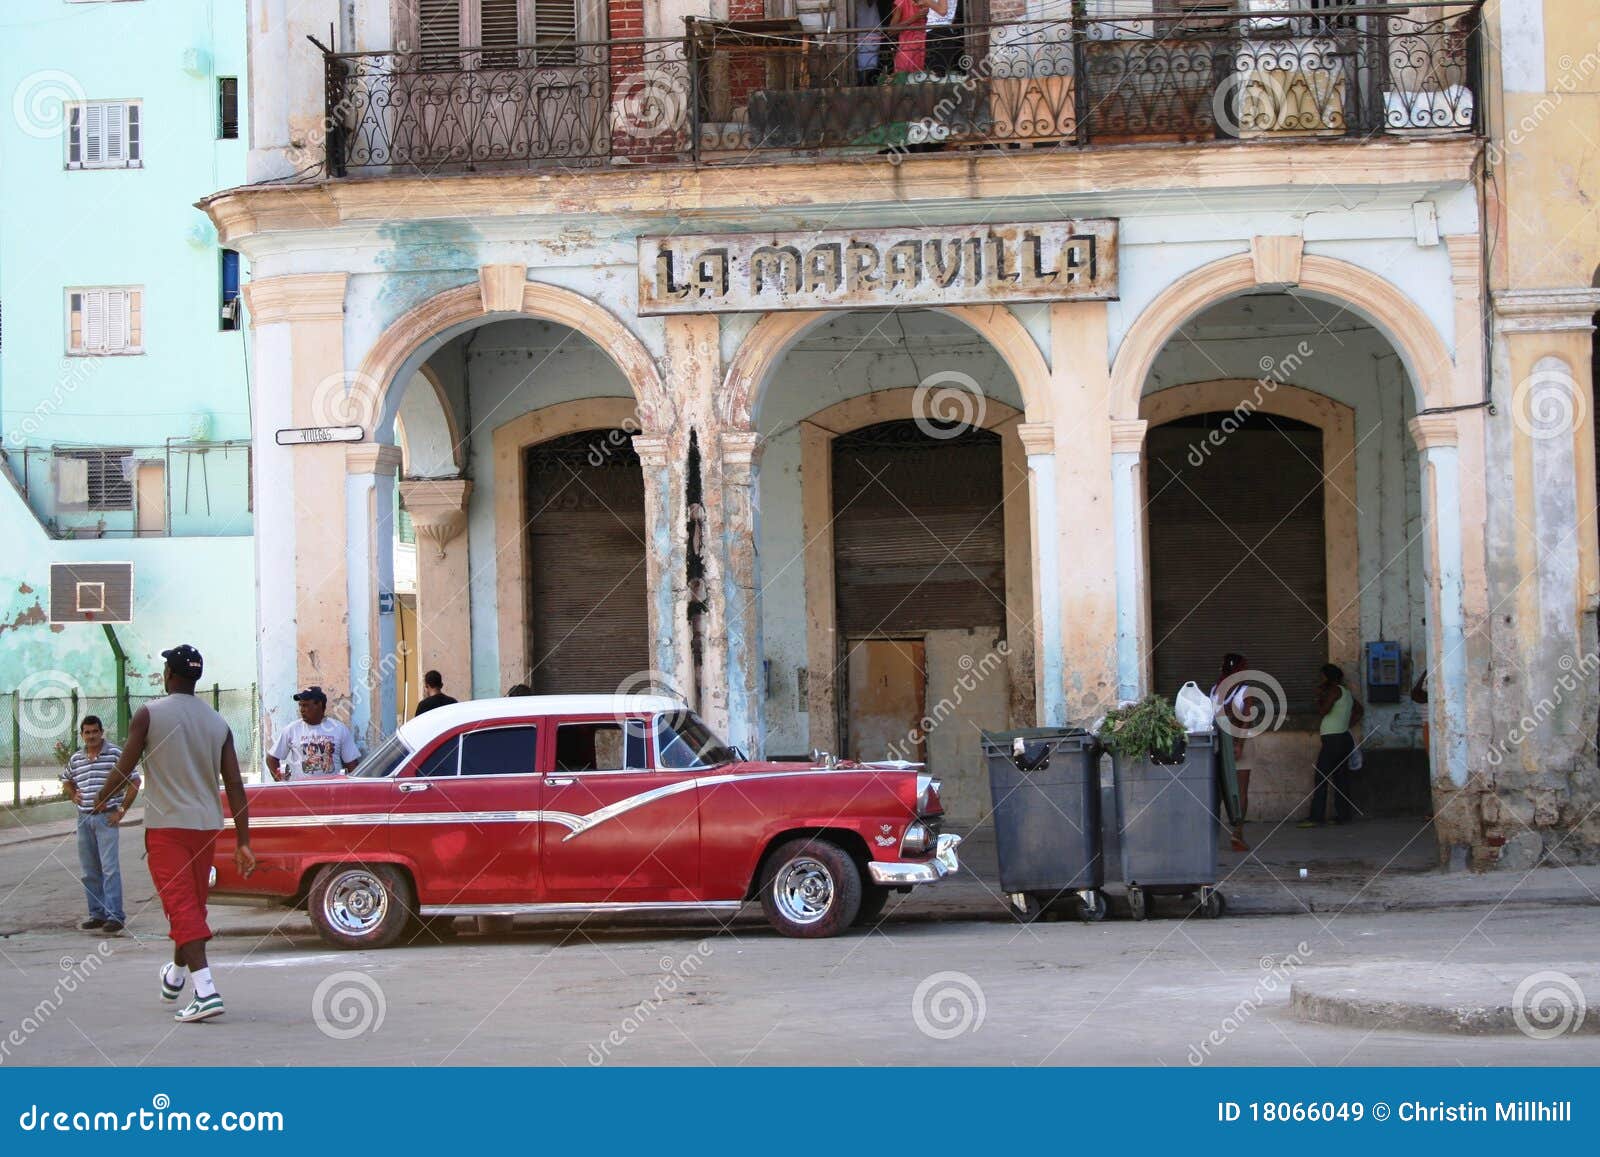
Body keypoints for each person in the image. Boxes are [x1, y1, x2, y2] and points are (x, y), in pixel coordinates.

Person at [91, 644, 254, 1024]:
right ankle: (177, 974)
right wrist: (244, 840)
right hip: (205, 827)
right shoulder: (218, 722)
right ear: (196, 677)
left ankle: (207, 991)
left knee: (181, 908)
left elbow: (125, 765)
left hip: (167, 828)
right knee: (190, 907)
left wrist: (100, 797)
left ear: (169, 674)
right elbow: (234, 783)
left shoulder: (150, 714)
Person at [61, 715, 137, 934]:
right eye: (87, 732)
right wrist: (73, 794)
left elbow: (135, 781)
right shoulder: (76, 758)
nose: (92, 736)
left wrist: (121, 811)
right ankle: (97, 913)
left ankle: (115, 915)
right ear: (82, 735)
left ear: (101, 732)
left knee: (109, 868)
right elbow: (66, 778)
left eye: (95, 731)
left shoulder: (114, 754)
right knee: (88, 870)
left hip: (106, 818)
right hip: (84, 818)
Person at [1300, 663, 1364, 828]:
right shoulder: (1346, 693)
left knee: (1321, 778)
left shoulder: (1334, 691)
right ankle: (1343, 815)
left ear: (1328, 678)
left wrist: (1319, 695)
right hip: (1342, 738)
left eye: (1322, 676)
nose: (1320, 679)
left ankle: (1316, 817)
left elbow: (1323, 711)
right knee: (1340, 778)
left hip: (1333, 740)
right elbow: (1359, 710)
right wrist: (1345, 724)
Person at [266, 686, 360, 781]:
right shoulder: (292, 730)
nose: (302, 710)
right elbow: (271, 759)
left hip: (332, 790)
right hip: (302, 791)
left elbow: (352, 764)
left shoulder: (339, 729)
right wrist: (282, 783)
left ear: (319, 705)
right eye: (300, 705)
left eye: (306, 705)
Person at [1209, 653, 1252, 853]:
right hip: (1237, 742)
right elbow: (1247, 719)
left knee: (1216, 791)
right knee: (1241, 792)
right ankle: (1237, 834)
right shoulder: (1246, 690)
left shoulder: (1214, 691)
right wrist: (1240, 745)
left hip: (1218, 743)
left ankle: (1211, 835)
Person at [890, 0, 930, 74]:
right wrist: (914, 18)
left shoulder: (925, 2)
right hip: (907, 52)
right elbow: (891, 31)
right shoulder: (900, 2)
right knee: (904, 81)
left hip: (923, 49)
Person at [925, 0, 961, 75]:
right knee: (939, 73)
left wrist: (927, 1)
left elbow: (942, 11)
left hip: (937, 31)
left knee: (935, 73)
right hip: (943, 30)